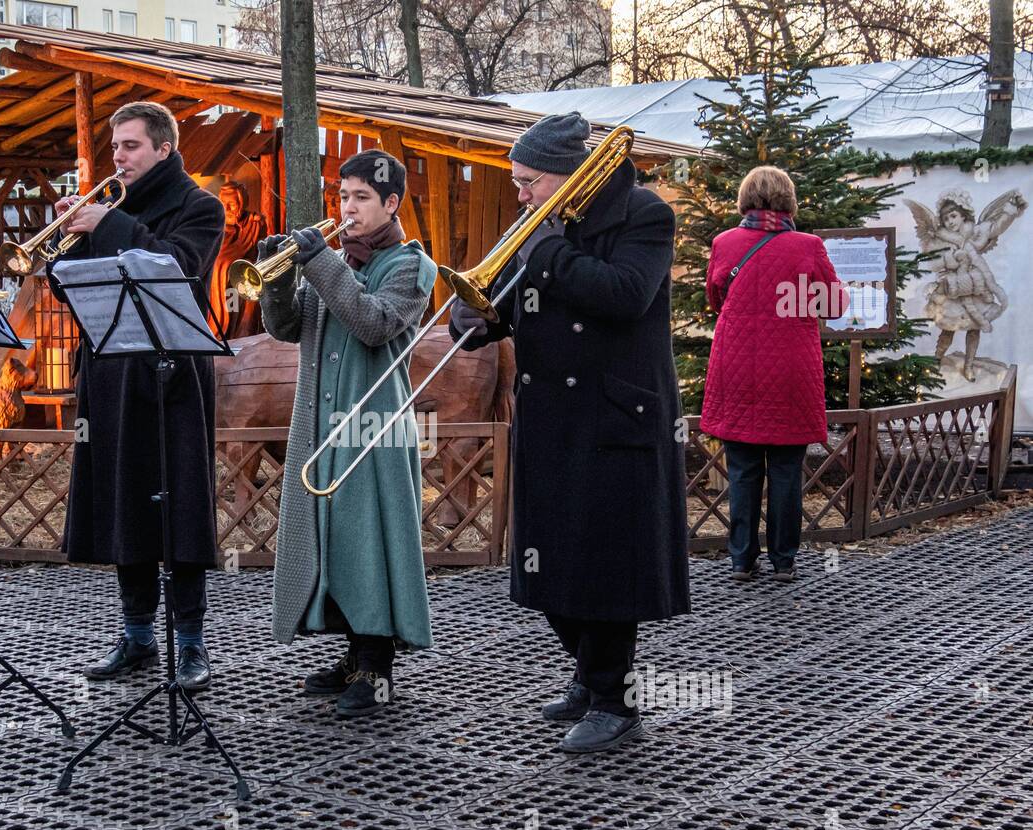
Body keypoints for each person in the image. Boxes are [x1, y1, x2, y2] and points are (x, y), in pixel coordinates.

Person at [449, 112, 690, 752]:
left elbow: (625, 294)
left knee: (607, 564)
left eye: (528, 181)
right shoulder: (539, 228)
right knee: (550, 558)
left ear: (568, 175)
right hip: (551, 415)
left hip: (616, 416)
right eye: (517, 181)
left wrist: (547, 250)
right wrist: (472, 313)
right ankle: (589, 676)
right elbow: (493, 309)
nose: (519, 194)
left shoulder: (644, 215)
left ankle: (616, 700)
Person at [46, 101, 225, 688]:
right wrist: (64, 243)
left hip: (173, 375)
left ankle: (193, 643)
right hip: (111, 373)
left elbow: (181, 268)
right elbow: (69, 289)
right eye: (115, 148)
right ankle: (137, 636)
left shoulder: (200, 206)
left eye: (130, 147)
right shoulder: (110, 207)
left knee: (180, 506)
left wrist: (106, 226)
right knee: (124, 501)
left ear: (164, 150)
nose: (118, 159)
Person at [259, 148, 436, 718]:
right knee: (330, 537)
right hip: (320, 423)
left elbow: (372, 322)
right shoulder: (335, 262)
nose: (349, 208)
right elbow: (286, 327)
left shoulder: (411, 265)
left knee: (369, 539)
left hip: (373, 426)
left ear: (391, 203)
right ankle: (352, 653)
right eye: (344, 197)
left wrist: (319, 266)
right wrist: (279, 279)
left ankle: (377, 663)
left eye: (362, 198)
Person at [700, 165, 846, 583]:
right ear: (788, 200)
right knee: (785, 470)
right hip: (792, 369)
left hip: (736, 365)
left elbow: (715, 297)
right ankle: (784, 560)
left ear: (745, 198)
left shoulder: (725, 242)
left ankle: (741, 560)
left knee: (742, 469)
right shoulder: (809, 245)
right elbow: (833, 305)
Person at [208, 181, 267, 340]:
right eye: (223, 203)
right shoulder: (216, 227)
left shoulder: (253, 224)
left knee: (243, 297)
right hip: (220, 287)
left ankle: (238, 332)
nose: (226, 208)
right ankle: (223, 330)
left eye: (231, 204)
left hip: (243, 281)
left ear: (242, 204)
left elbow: (261, 253)